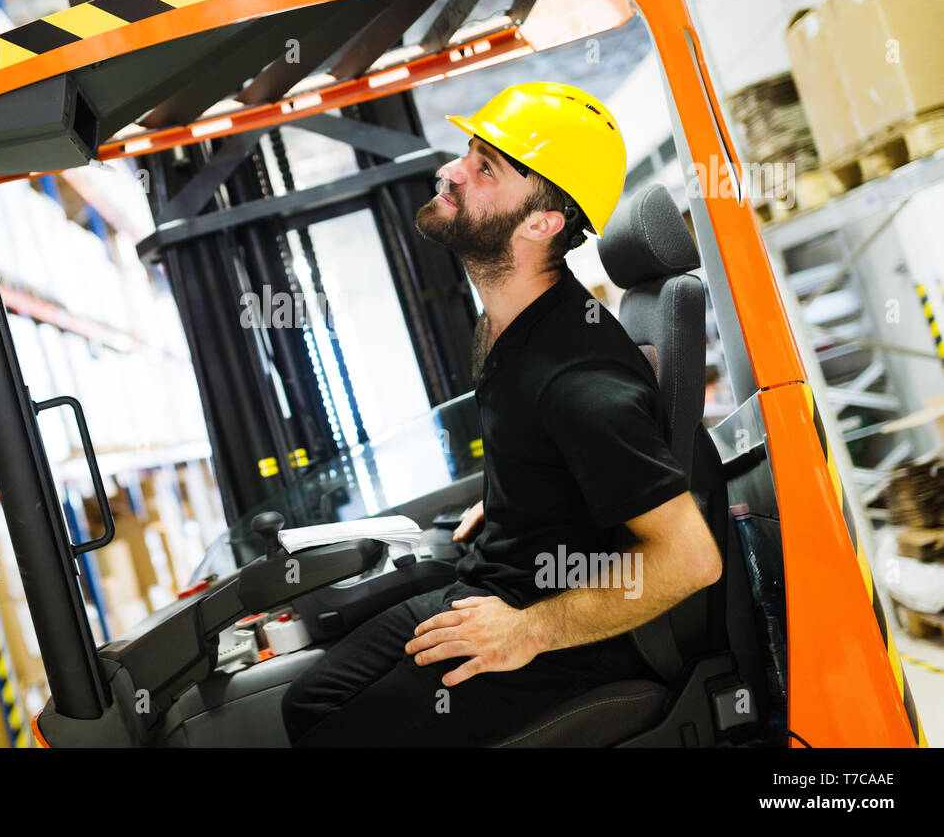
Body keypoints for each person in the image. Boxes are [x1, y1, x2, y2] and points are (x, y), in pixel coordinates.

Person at [280, 82, 722, 747]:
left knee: (329, 734)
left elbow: (690, 561)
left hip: (553, 630)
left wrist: (527, 631)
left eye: (485, 167)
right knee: (307, 703)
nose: (452, 170)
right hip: (500, 573)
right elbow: (558, 449)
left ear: (541, 223)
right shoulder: (511, 324)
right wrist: (520, 493)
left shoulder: (579, 379)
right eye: (469, 152)